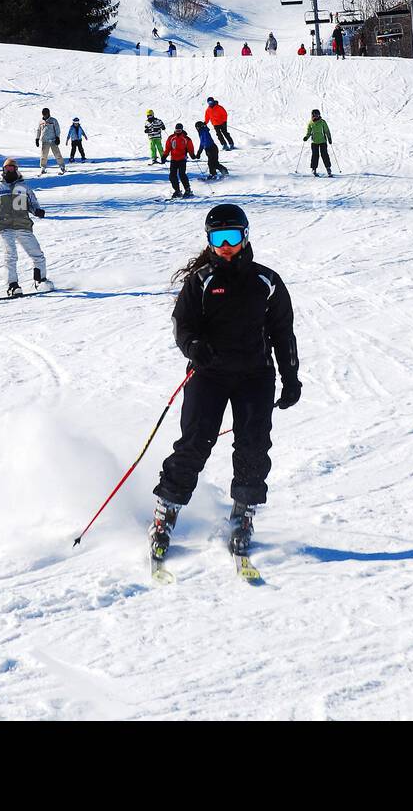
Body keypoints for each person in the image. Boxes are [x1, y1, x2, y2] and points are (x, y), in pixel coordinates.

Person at [150, 204, 300, 560]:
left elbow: (283, 332)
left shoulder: (267, 281)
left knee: (253, 445)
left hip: (255, 376)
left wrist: (290, 377)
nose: (226, 246)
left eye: (232, 237)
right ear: (210, 241)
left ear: (245, 236)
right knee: (194, 443)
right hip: (209, 374)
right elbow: (183, 324)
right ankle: (165, 512)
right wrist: (194, 346)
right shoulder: (201, 280)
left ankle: (242, 516)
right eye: (218, 239)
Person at [0, 157, 51, 296]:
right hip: (5, 226)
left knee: (37, 254)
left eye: (11, 168)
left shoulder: (23, 187)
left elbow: (32, 203)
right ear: (3, 170)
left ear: (16, 170)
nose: (9, 171)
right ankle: (12, 285)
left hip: (23, 225)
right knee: (11, 255)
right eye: (7, 169)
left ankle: (40, 280)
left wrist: (37, 211)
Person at [164, 123, 195, 198]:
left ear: (182, 130)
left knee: (182, 174)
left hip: (182, 159)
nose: (178, 131)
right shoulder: (171, 137)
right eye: (177, 130)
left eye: (179, 130)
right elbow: (168, 148)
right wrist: (164, 156)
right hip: (173, 159)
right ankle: (177, 191)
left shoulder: (186, 138)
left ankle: (187, 190)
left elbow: (190, 147)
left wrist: (192, 155)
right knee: (172, 176)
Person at [36, 107, 66, 174]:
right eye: (43, 114)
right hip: (45, 141)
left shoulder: (53, 120)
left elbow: (57, 129)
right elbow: (38, 130)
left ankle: (62, 166)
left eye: (46, 114)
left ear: (48, 113)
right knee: (43, 155)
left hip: (53, 140)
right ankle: (43, 167)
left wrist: (58, 137)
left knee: (57, 154)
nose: (44, 115)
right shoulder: (41, 122)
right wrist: (37, 139)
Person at [303, 109, 332, 177]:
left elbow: (327, 131)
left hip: (322, 141)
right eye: (314, 115)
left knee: (324, 155)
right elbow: (309, 132)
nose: (316, 116)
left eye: (317, 115)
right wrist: (306, 137)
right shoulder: (310, 123)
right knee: (315, 155)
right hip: (314, 142)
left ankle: (328, 168)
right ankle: (314, 169)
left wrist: (329, 138)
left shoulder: (322, 122)